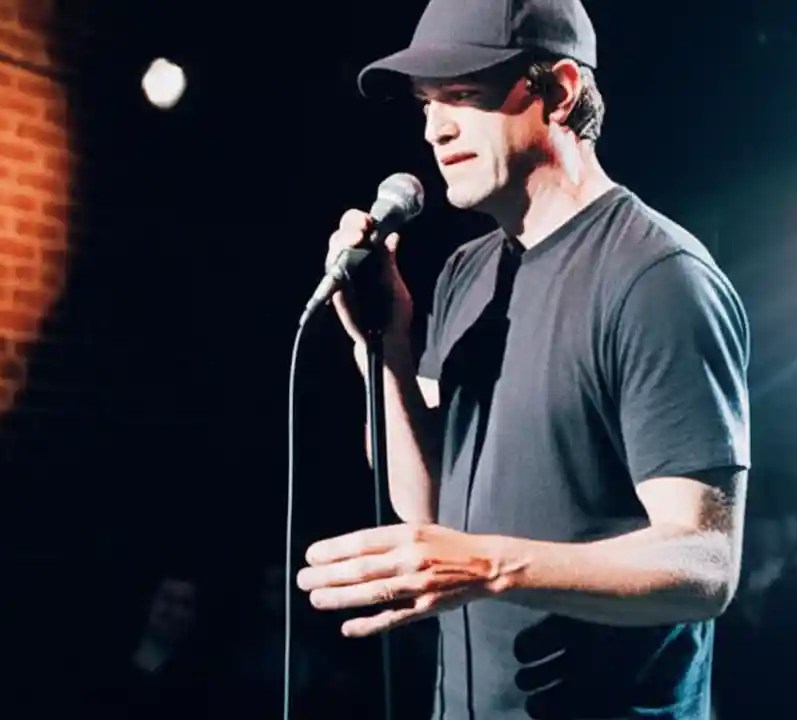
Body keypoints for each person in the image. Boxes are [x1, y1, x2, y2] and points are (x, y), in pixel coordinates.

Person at [294, 1, 751, 718]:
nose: (434, 127)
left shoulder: (658, 278)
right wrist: (382, 347)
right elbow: (428, 505)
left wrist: (487, 567)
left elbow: (704, 565)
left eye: (461, 95)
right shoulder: (466, 273)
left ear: (560, 92)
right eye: (425, 103)